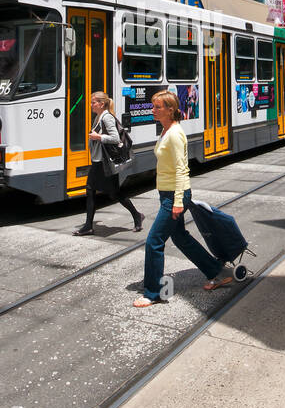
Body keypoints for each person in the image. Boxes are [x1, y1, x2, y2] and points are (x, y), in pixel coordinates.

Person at [132, 90, 228, 307]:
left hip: (175, 195)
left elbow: (182, 170)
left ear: (170, 110)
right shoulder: (166, 130)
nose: (153, 110)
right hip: (167, 193)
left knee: (154, 242)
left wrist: (177, 202)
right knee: (180, 238)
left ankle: (153, 293)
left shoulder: (175, 134)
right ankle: (213, 270)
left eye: (157, 107)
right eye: (153, 106)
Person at [75, 92, 143, 236]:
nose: (91, 105)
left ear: (101, 104)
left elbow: (115, 138)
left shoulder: (106, 117)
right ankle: (136, 216)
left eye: (93, 102)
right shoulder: (100, 116)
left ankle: (89, 226)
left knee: (99, 191)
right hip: (99, 161)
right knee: (110, 192)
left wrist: (98, 137)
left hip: (102, 162)